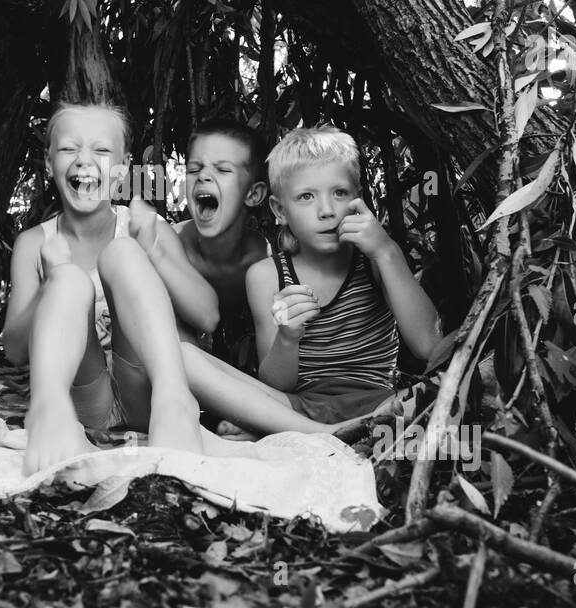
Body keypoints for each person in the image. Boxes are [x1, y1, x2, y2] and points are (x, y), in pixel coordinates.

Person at [0, 100, 219, 473]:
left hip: (147, 395)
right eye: (69, 148)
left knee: (122, 254)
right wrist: (48, 285)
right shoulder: (34, 244)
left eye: (101, 150)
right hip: (86, 403)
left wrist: (152, 251)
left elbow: (208, 316)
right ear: (50, 163)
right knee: (67, 280)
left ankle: (175, 400)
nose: (84, 160)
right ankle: (49, 411)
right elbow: (15, 350)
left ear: (121, 168)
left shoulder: (144, 225)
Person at [178, 126, 441, 433]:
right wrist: (288, 338)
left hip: (380, 403)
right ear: (280, 210)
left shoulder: (375, 256)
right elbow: (277, 383)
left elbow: (429, 345)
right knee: (183, 357)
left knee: (439, 387)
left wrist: (386, 252)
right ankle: (326, 434)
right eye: (306, 197)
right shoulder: (266, 275)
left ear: (357, 199)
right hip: (300, 407)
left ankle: (279, 432)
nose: (327, 211)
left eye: (339, 193)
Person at [173, 119, 271, 371]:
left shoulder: (262, 259)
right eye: (194, 169)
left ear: (254, 194)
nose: (204, 176)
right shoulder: (171, 246)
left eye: (222, 170)